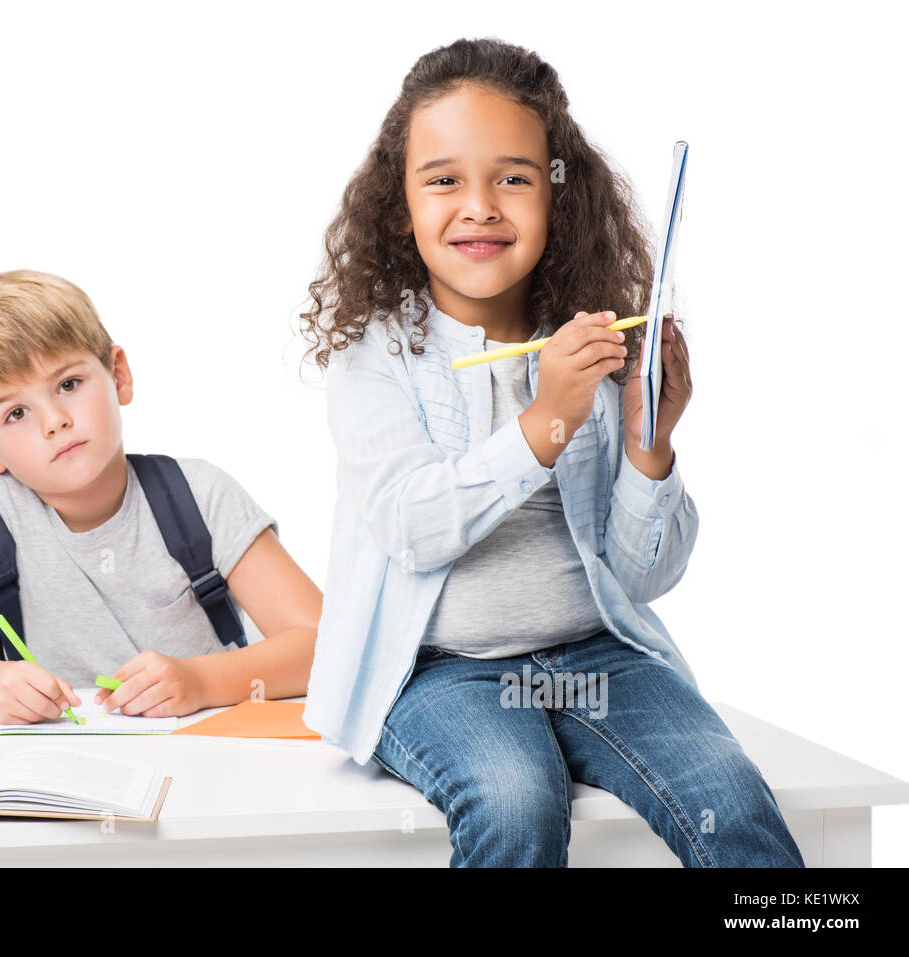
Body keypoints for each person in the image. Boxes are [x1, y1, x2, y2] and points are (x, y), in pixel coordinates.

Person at [299, 37, 803, 867]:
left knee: (732, 798)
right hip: (441, 671)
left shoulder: (586, 343)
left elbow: (641, 578)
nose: (481, 205)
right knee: (515, 801)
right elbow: (414, 527)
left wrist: (651, 448)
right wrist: (545, 421)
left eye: (515, 178)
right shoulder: (375, 355)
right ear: (401, 207)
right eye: (444, 180)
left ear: (557, 200)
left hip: (596, 653)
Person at [0, 270, 321, 724]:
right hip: (58, 779)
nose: (54, 421)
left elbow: (325, 642)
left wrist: (202, 682)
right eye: (17, 413)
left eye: (68, 384)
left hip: (207, 764)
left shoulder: (200, 496)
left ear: (118, 374)